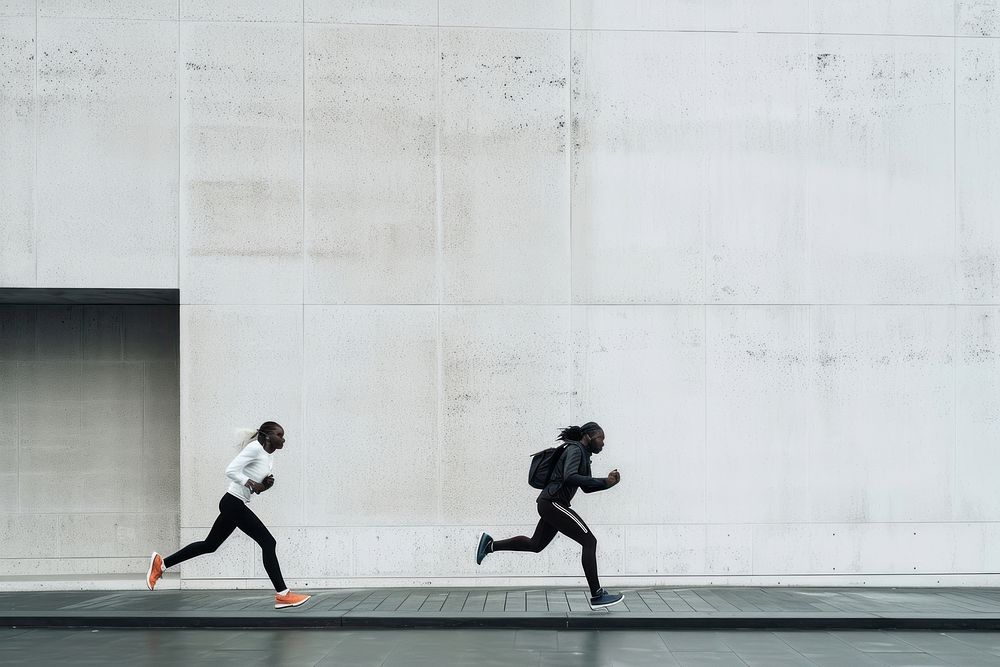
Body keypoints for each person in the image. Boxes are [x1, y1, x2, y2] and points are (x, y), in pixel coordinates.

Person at [145, 422, 311, 609]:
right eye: (279, 435)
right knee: (268, 542)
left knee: (210, 545)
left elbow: (257, 486)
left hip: (234, 503)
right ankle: (283, 594)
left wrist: (264, 485)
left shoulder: (268, 457)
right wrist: (249, 483)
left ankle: (162, 564)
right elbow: (230, 470)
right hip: (233, 502)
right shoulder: (255, 448)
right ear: (267, 436)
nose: (283, 439)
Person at [476, 422, 624, 610]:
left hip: (550, 503)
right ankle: (597, 595)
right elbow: (569, 476)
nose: (603, 443)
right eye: (600, 438)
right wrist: (604, 480)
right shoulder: (576, 450)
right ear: (588, 436)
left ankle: (490, 545)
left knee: (535, 544)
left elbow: (585, 487)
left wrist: (608, 483)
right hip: (553, 502)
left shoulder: (583, 455)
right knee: (589, 541)